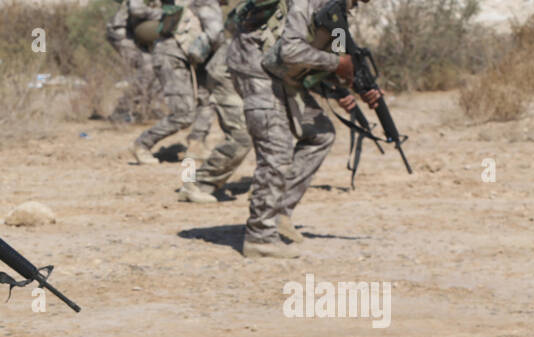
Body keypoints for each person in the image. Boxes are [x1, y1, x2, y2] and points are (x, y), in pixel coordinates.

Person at [229, 0, 380, 258]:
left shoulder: (340, 13)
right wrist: (339, 66)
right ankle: (260, 236)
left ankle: (278, 215)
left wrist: (354, 86)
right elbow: (291, 51)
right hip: (258, 73)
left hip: (283, 76)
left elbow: (337, 57)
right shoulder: (309, 2)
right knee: (276, 151)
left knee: (320, 134)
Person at [128, 0, 222, 165]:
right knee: (184, 114)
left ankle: (196, 145)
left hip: (188, 56)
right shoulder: (207, 2)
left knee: (207, 99)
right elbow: (216, 34)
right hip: (172, 57)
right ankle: (143, 144)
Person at [176, 36, 254, 202]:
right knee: (242, 136)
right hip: (228, 74)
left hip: (243, 72)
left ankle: (265, 186)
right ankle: (198, 183)